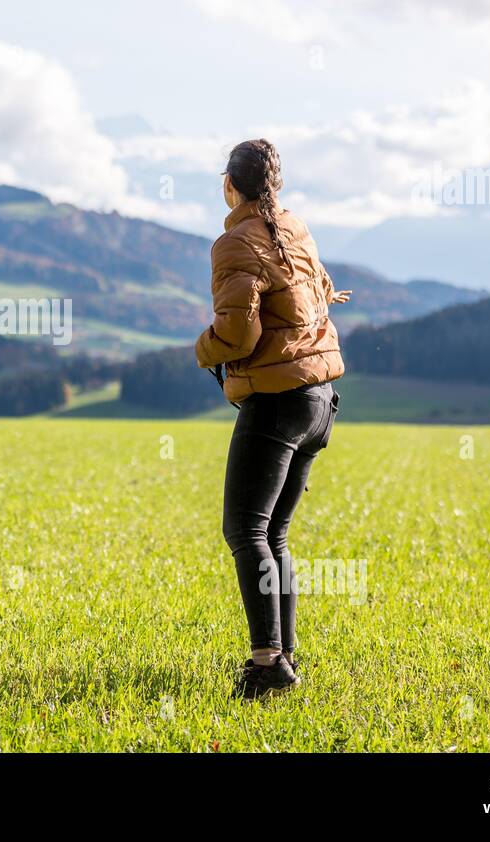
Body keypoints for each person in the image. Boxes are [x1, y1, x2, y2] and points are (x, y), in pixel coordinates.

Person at [195, 138, 351, 699]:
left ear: (229, 185)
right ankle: (282, 656)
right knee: (273, 533)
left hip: (279, 401)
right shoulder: (294, 227)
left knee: (245, 530)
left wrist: (203, 350)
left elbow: (240, 332)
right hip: (319, 399)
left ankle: (267, 663)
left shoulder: (235, 242)